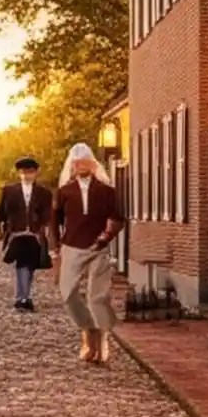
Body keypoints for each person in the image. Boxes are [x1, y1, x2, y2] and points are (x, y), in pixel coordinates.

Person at [50, 143, 125, 363]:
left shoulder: (106, 191)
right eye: (77, 161)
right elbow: (54, 222)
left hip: (97, 247)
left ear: (93, 164)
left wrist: (106, 237)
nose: (81, 165)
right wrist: (55, 249)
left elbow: (118, 219)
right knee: (69, 293)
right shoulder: (64, 192)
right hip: (72, 246)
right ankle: (87, 330)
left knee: (97, 297)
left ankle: (101, 340)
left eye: (86, 161)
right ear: (72, 165)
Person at [0, 157, 53, 311]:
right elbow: (2, 212)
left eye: (30, 172)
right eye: (23, 172)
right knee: (22, 264)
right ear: (19, 173)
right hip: (17, 233)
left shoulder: (44, 193)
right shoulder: (9, 191)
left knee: (30, 265)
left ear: (36, 173)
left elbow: (47, 214)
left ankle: (24, 296)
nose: (26, 175)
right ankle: (22, 298)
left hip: (35, 234)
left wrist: (44, 230)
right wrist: (4, 231)